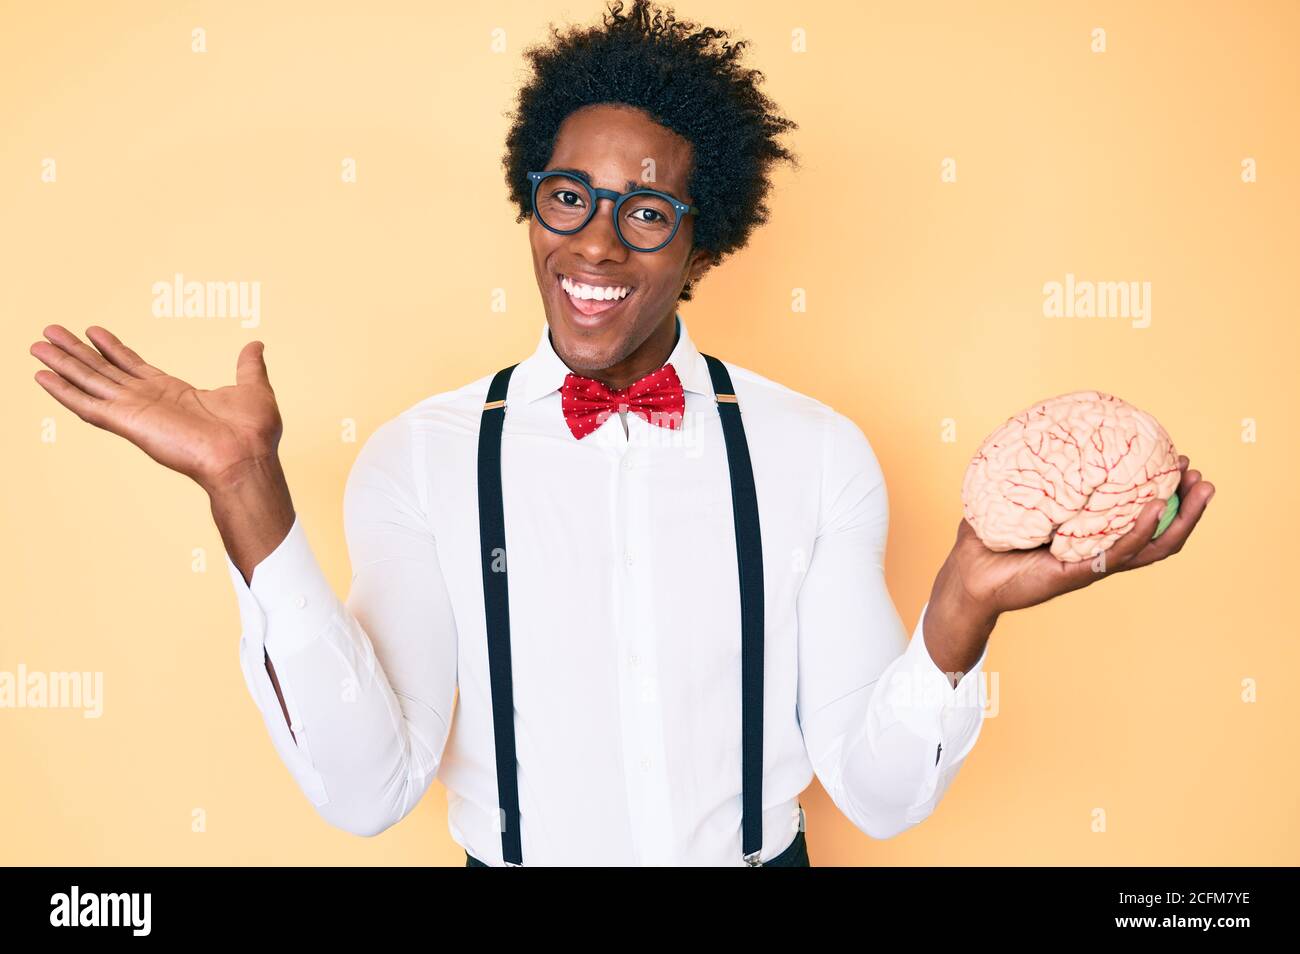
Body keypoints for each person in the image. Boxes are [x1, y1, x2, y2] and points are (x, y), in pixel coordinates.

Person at [28, 0, 1214, 867]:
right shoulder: (424, 457)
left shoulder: (814, 452)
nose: (595, 245)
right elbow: (367, 788)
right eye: (568, 199)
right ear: (531, 206)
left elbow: (880, 792)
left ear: (704, 247)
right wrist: (246, 492)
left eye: (646, 211)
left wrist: (963, 602)